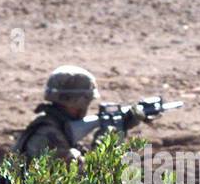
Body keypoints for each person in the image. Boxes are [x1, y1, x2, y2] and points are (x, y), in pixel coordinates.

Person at [11, 65, 141, 164]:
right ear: (77, 101)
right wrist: (108, 138)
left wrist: (123, 124)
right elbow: (90, 174)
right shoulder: (50, 135)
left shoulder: (48, 123)